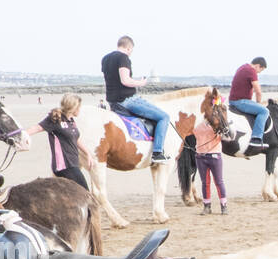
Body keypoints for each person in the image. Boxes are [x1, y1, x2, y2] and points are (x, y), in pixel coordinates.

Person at [101, 36, 170, 164]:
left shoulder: (105, 59)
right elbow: (125, 80)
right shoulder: (123, 58)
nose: (130, 53)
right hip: (127, 100)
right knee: (164, 117)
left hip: (112, 101)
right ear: (129, 47)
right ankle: (157, 152)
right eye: (131, 51)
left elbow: (114, 80)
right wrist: (140, 82)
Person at [24, 93, 95, 190]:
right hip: (64, 166)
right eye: (78, 107)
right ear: (72, 107)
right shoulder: (55, 118)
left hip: (73, 164)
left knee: (73, 197)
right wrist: (23, 136)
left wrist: (88, 154)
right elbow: (37, 128)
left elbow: (76, 139)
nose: (80, 109)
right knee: (85, 194)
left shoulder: (71, 120)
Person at [193, 91, 227, 215]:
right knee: (205, 182)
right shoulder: (197, 125)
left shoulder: (218, 123)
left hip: (215, 155)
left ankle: (224, 205)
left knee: (219, 181)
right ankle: (207, 206)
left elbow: (229, 136)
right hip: (200, 156)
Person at [229, 57, 270, 150]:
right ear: (258, 66)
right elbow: (258, 91)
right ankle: (256, 138)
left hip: (233, 100)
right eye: (260, 70)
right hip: (240, 101)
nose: (259, 73)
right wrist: (258, 103)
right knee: (264, 111)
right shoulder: (251, 71)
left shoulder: (242, 67)